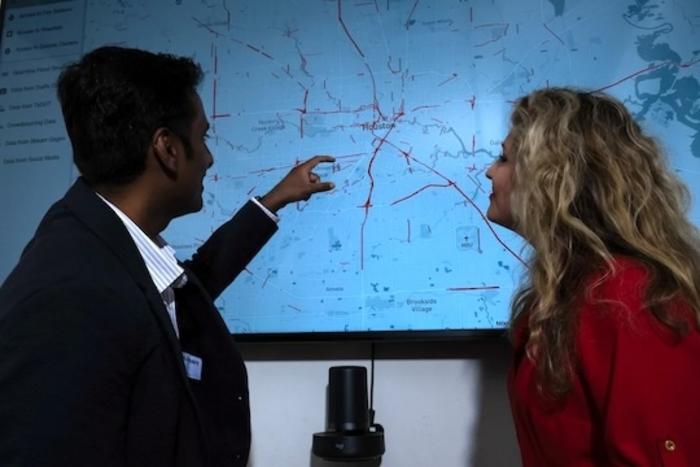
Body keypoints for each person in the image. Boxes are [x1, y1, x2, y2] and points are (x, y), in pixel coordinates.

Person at [0, 46, 334, 467]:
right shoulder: (71, 298)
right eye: (202, 138)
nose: (209, 157)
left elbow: (189, 289)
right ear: (167, 149)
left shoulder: (100, 244)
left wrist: (274, 200)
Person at [485, 88, 700, 466]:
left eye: (505, 158)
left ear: (551, 178)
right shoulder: (563, 296)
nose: (490, 170)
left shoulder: (629, 297)